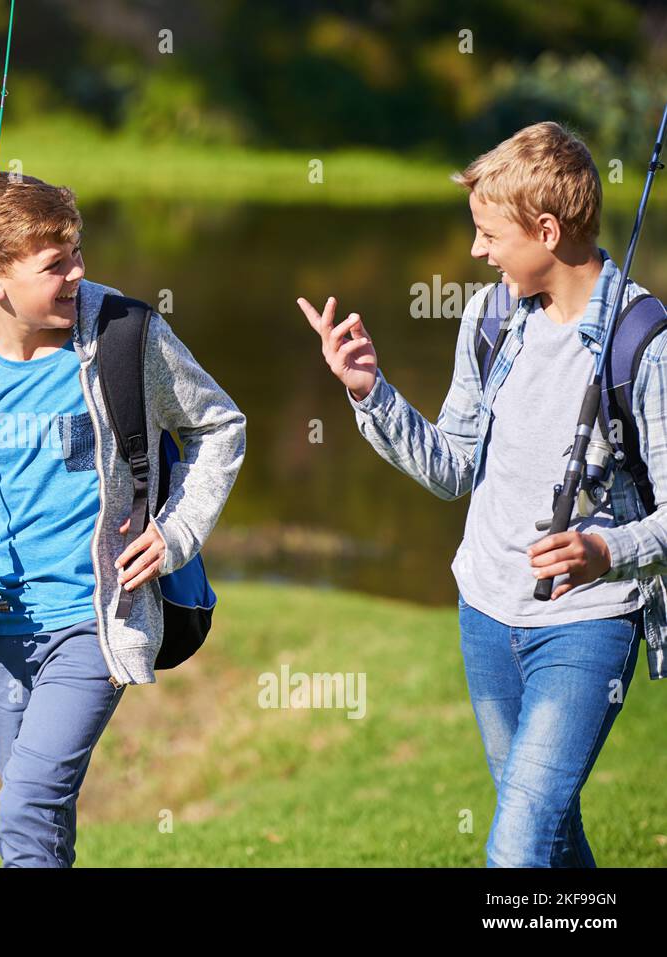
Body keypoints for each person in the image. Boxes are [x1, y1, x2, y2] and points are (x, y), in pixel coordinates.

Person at [298, 121, 663, 866]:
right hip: (485, 616)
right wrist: (369, 390)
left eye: (488, 233)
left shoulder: (644, 343)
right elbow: (453, 465)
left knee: (517, 849)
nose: (477, 250)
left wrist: (606, 549)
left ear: (548, 229)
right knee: (549, 834)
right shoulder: (491, 319)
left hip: (587, 624)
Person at [0, 172, 246, 866]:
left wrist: (175, 533)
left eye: (76, 252)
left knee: (25, 810)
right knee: (41, 812)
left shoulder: (127, 334)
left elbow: (220, 426)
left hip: (96, 620)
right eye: (55, 264)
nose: (77, 272)